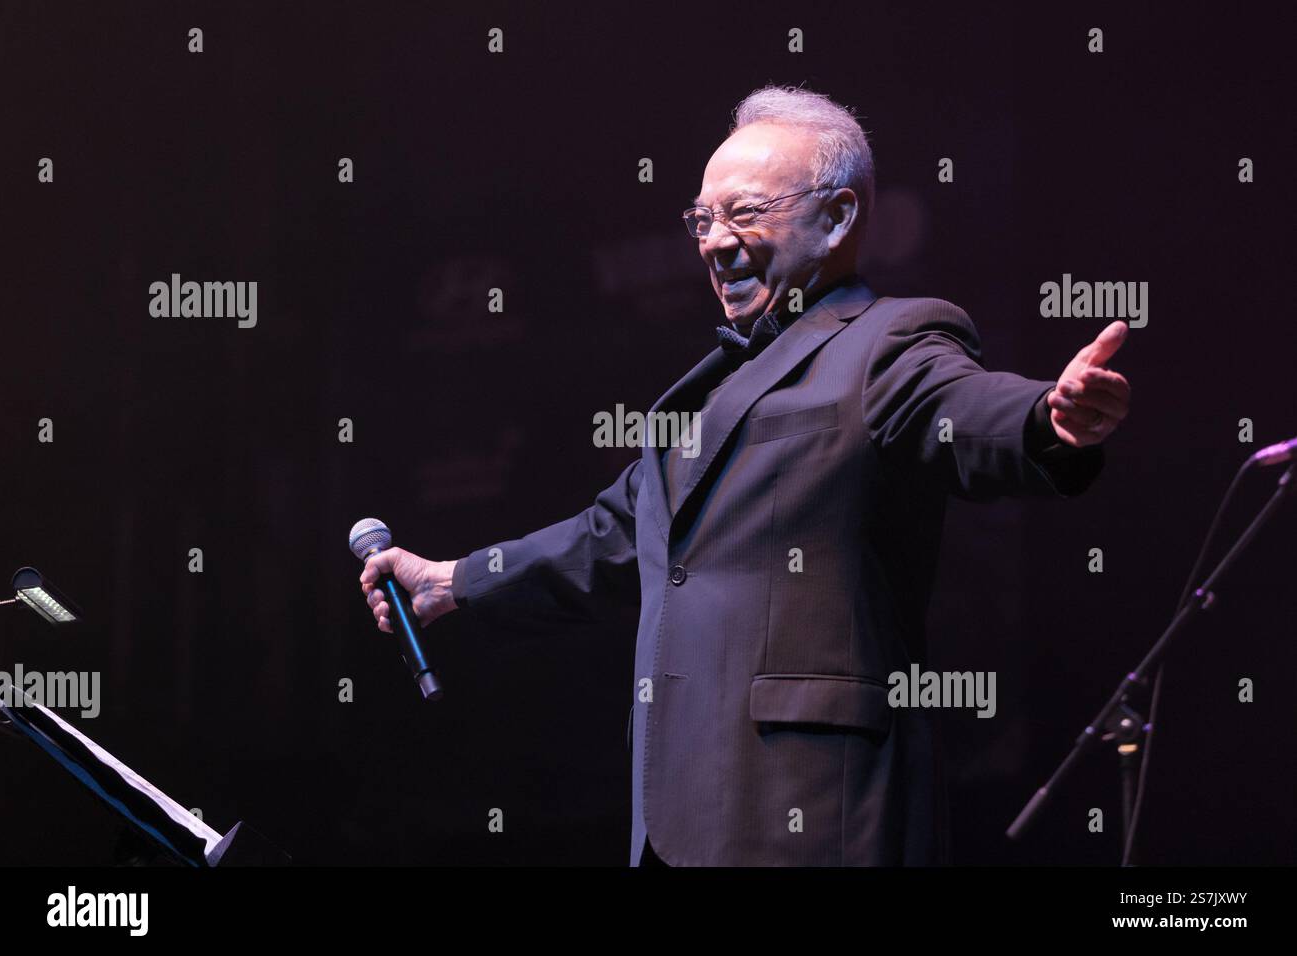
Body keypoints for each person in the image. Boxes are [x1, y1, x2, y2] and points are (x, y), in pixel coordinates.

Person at [360, 86, 1131, 866]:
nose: (715, 242)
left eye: (745, 214)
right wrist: (453, 582)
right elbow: (612, 535)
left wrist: (1047, 419)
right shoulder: (713, 389)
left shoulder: (890, 341)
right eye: (703, 220)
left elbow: (960, 406)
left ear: (837, 218)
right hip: (679, 816)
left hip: (815, 811)